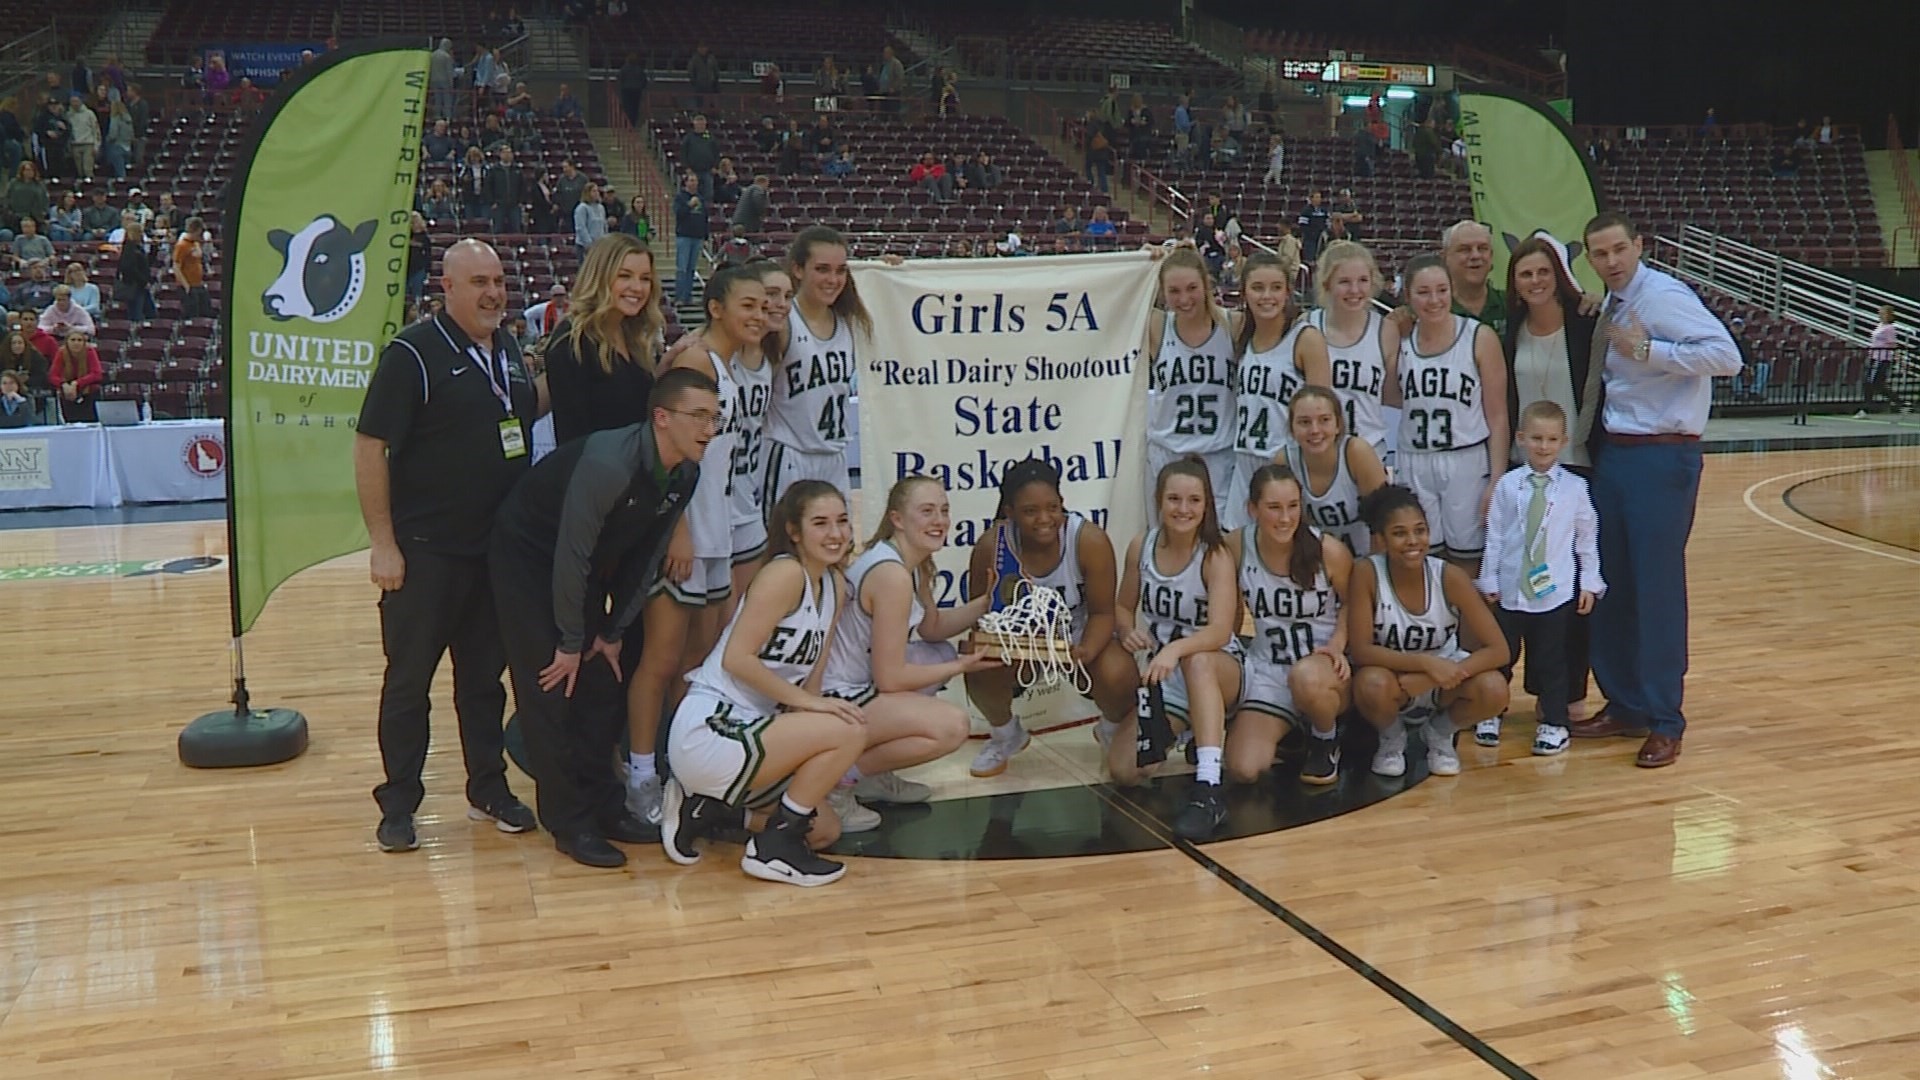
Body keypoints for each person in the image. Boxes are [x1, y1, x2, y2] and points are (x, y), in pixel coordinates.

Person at [353, 239, 543, 854]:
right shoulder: (411, 354)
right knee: (409, 683)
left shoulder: (508, 347)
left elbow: (518, 412)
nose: (493, 292)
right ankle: (400, 803)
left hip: (494, 556)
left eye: (499, 279)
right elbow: (369, 447)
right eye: (479, 281)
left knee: (484, 682)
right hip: (427, 552)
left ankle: (488, 787)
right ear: (449, 288)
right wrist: (383, 542)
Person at [489, 368, 712, 868]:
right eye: (698, 416)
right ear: (661, 418)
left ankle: (605, 807)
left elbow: (647, 556)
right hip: (527, 554)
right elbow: (571, 555)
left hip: (580, 566)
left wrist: (610, 633)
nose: (709, 428)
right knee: (551, 683)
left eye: (714, 417)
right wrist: (571, 641)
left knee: (600, 682)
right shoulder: (610, 465)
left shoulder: (686, 473)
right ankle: (569, 823)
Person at [1568, 212, 1742, 768]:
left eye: (1619, 249)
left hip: (1662, 456)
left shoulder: (1663, 296)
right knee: (1612, 583)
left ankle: (1666, 718)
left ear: (1638, 246)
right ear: (1591, 260)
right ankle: (1625, 703)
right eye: (1601, 254)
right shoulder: (1616, 302)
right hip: (1617, 455)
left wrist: (1652, 353)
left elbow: (1726, 358)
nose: (1612, 260)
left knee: (1658, 590)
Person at [660, 480, 861, 886]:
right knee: (850, 727)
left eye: (842, 521)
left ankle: (707, 811)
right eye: (820, 523)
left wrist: (811, 708)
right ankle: (772, 851)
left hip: (755, 731)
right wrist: (815, 711)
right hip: (712, 727)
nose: (836, 533)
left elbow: (813, 679)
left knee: (825, 830)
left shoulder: (835, 586)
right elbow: (736, 659)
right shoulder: (784, 573)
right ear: (794, 530)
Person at [622, 267, 763, 826]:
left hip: (716, 532)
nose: (757, 315)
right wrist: (676, 527)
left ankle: (687, 772)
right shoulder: (696, 359)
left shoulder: (725, 363)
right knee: (660, 662)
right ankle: (639, 775)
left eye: (762, 306)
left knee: (697, 666)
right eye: (746, 305)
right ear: (715, 308)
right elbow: (658, 448)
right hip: (683, 533)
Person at [817, 476, 995, 826]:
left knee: (937, 652)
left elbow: (932, 628)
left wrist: (986, 603)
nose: (939, 521)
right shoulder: (891, 575)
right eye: (927, 511)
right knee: (952, 726)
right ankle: (835, 783)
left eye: (944, 511)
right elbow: (891, 678)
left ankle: (870, 776)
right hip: (836, 695)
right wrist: (961, 666)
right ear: (897, 518)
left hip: (858, 684)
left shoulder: (911, 561)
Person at [964, 457, 1139, 777]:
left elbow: (1103, 613)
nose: (1045, 519)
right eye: (1030, 511)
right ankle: (1006, 735)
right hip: (1022, 640)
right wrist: (1009, 647)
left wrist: (1085, 651)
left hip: (1078, 634)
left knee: (1118, 671)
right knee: (977, 660)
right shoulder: (992, 547)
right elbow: (984, 620)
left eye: (1053, 507)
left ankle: (1111, 729)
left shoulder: (1088, 540)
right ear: (1010, 511)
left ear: (1063, 505)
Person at [1112, 458, 1241, 838]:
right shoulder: (1142, 545)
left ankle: (1209, 788)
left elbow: (1219, 630)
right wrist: (1126, 630)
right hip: (1168, 680)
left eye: (1193, 500)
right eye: (1174, 499)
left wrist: (1175, 650)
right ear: (1159, 500)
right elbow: (1123, 606)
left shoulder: (1215, 555)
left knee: (1197, 661)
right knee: (1125, 770)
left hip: (1219, 668)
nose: (1183, 509)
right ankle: (1192, 730)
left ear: (1206, 505)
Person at [1347, 485, 1510, 779]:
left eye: (1420, 530)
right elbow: (1361, 650)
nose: (1413, 541)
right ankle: (1391, 739)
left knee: (1495, 689)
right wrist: (1423, 664)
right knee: (1370, 683)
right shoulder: (1367, 573)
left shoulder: (1448, 576)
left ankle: (1439, 733)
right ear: (1381, 540)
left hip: (1443, 681)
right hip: (1394, 681)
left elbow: (1499, 650)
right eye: (1399, 533)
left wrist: (1436, 675)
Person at [1475, 401, 1605, 756]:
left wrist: (1591, 583)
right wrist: (1489, 579)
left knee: (1552, 659)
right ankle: (1490, 710)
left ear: (1564, 441)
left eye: (1551, 439)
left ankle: (1554, 722)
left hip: (1554, 594)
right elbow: (1496, 535)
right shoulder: (1508, 486)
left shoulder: (1575, 488)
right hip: (1510, 591)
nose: (1543, 447)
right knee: (1501, 655)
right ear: (1521, 439)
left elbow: (1586, 537)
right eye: (1535, 438)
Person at [1225, 463, 1352, 785]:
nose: (1285, 518)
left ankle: (1326, 738)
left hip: (1322, 670)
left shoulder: (1329, 551)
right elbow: (1226, 607)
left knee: (1305, 676)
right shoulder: (1237, 545)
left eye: (1293, 506)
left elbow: (1356, 603)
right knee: (1243, 769)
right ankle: (1293, 731)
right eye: (1274, 508)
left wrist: (1338, 643)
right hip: (1268, 669)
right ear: (1252, 509)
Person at [1389, 254, 1509, 576]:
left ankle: (1466, 627)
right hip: (1413, 459)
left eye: (1441, 290)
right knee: (1421, 560)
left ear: (1452, 290)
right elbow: (1389, 398)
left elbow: (1498, 416)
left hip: (1465, 460)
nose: (1434, 300)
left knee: (1468, 564)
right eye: (1423, 292)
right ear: (1408, 296)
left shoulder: (1478, 337)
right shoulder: (1400, 341)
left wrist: (1496, 479)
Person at [763, 226, 865, 505]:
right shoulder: (783, 321)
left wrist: (895, 269)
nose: (833, 279)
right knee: (784, 547)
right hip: (790, 453)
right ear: (797, 270)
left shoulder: (848, 320)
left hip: (835, 455)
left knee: (836, 544)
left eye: (841, 270)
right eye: (822, 269)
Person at [1227, 252, 1330, 531]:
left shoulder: (1305, 338)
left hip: (1285, 462)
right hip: (1245, 458)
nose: (1266, 296)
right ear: (1244, 291)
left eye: (1275, 287)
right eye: (1257, 288)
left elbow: (1324, 415)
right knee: (1235, 549)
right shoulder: (1241, 332)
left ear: (1288, 292)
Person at [1142, 247, 1239, 519]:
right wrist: (1144, 264)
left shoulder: (1233, 325)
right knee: (1168, 544)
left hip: (1219, 456)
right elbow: (1116, 300)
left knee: (1218, 548)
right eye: (1173, 291)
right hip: (1167, 454)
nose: (1184, 299)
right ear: (1161, 291)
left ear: (1206, 284)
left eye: (1192, 288)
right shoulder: (1158, 326)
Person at [542, 234, 663, 447]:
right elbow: (573, 443)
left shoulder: (632, 336)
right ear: (600, 277)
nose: (638, 287)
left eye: (645, 278)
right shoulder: (572, 341)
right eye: (624, 276)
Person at [1308, 241, 1397, 460]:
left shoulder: (1386, 330)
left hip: (1371, 452)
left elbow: (1391, 397)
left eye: (1363, 281)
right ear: (1327, 284)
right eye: (1344, 282)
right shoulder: (1307, 326)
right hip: (1319, 454)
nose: (1355, 290)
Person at [1284, 385, 1387, 557]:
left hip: (1366, 559)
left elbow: (1384, 521)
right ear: (1292, 429)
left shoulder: (1357, 453)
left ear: (1338, 424)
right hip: (1316, 564)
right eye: (1304, 422)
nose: (1315, 430)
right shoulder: (1284, 461)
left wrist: (1372, 573)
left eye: (1324, 420)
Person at [1441, 221, 1506, 335]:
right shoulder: (1431, 309)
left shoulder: (1512, 305)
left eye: (1482, 248)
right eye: (1465, 249)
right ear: (1445, 257)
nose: (1475, 256)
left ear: (1491, 255)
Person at [1861, 305, 1907, 415]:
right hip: (1874, 356)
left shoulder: (1890, 328)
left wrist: (1899, 359)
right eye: (1880, 313)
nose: (1880, 315)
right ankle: (1899, 402)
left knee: (1873, 382)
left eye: (1883, 313)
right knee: (1876, 383)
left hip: (1883, 358)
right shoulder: (1880, 326)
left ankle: (1867, 407)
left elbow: (1892, 344)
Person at [47, 329, 101, 423]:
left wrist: (77, 383)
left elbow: (97, 374)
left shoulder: (89, 351)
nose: (76, 343)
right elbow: (53, 376)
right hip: (67, 393)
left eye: (79, 340)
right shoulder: (61, 352)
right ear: (67, 342)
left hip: (88, 393)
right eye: (73, 340)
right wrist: (63, 384)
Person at [671, 172, 707, 307]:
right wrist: (689, 205)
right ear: (685, 183)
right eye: (691, 180)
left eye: (695, 181)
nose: (693, 183)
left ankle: (688, 296)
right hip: (684, 236)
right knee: (682, 268)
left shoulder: (701, 198)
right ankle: (679, 296)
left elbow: (704, 217)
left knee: (691, 269)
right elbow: (679, 214)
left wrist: (705, 235)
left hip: (697, 236)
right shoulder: (680, 197)